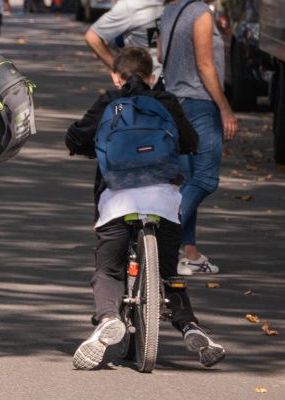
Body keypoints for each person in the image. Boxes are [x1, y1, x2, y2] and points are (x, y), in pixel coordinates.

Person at [65, 46, 226, 370]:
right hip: (163, 201)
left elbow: (77, 138)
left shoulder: (110, 100)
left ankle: (108, 318)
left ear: (116, 76)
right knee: (169, 273)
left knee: (108, 270)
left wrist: (83, 144)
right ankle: (189, 324)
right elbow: (191, 141)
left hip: (117, 201)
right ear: (152, 77)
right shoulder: (166, 101)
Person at [158, 0, 238, 276]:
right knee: (205, 179)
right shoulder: (201, 13)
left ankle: (187, 252)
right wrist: (225, 107)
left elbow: (160, 54)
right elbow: (205, 65)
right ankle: (163, 231)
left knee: (187, 180)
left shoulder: (170, 9)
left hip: (174, 105)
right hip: (200, 105)